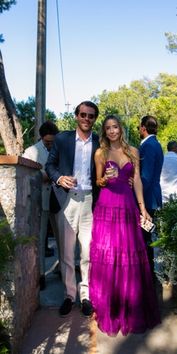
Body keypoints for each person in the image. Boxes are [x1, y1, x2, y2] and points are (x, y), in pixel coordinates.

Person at [89, 115, 161, 336]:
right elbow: (98, 181)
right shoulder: (100, 153)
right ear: (104, 131)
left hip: (128, 206)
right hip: (107, 207)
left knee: (128, 254)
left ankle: (129, 307)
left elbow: (137, 179)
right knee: (109, 255)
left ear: (121, 128)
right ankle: (110, 307)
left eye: (115, 127)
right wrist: (105, 180)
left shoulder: (133, 151)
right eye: (108, 128)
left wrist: (143, 208)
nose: (112, 131)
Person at [45, 101, 100, 317]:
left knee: (87, 251)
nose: (87, 119)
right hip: (66, 200)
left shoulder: (99, 142)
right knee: (67, 252)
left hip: (89, 201)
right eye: (83, 115)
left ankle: (85, 296)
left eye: (91, 116)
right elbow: (49, 166)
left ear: (95, 119)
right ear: (76, 116)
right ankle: (69, 295)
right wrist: (59, 178)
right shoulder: (62, 138)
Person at [22, 120, 60, 290]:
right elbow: (27, 175)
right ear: (41, 138)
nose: (51, 145)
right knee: (40, 239)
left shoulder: (60, 148)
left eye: (53, 141)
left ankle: (62, 268)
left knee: (62, 238)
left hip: (60, 200)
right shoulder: (30, 152)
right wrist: (46, 175)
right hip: (42, 201)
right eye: (47, 142)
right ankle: (41, 274)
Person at [138, 115, 164, 276]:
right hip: (152, 196)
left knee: (143, 236)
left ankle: (146, 273)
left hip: (147, 197)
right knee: (147, 235)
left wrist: (137, 199)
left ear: (143, 128)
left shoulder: (148, 146)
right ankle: (148, 271)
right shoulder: (156, 144)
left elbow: (145, 177)